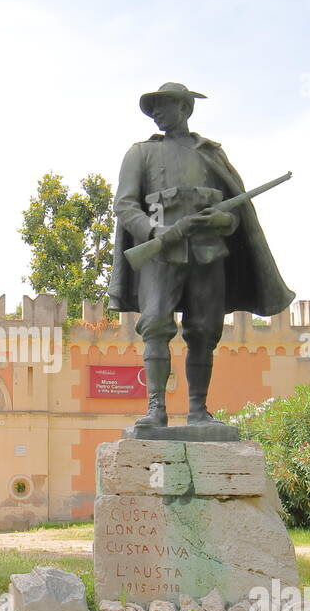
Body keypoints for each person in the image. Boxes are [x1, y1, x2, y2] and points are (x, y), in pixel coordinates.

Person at [109, 82, 295, 428]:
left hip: (209, 251)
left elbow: (237, 211)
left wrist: (223, 219)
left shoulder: (211, 153)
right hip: (161, 252)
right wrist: (153, 232)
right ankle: (155, 411)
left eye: (164, 106)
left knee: (204, 330)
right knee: (155, 326)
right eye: (154, 109)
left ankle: (198, 411)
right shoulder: (140, 153)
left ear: (184, 108)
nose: (157, 114)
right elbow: (125, 204)